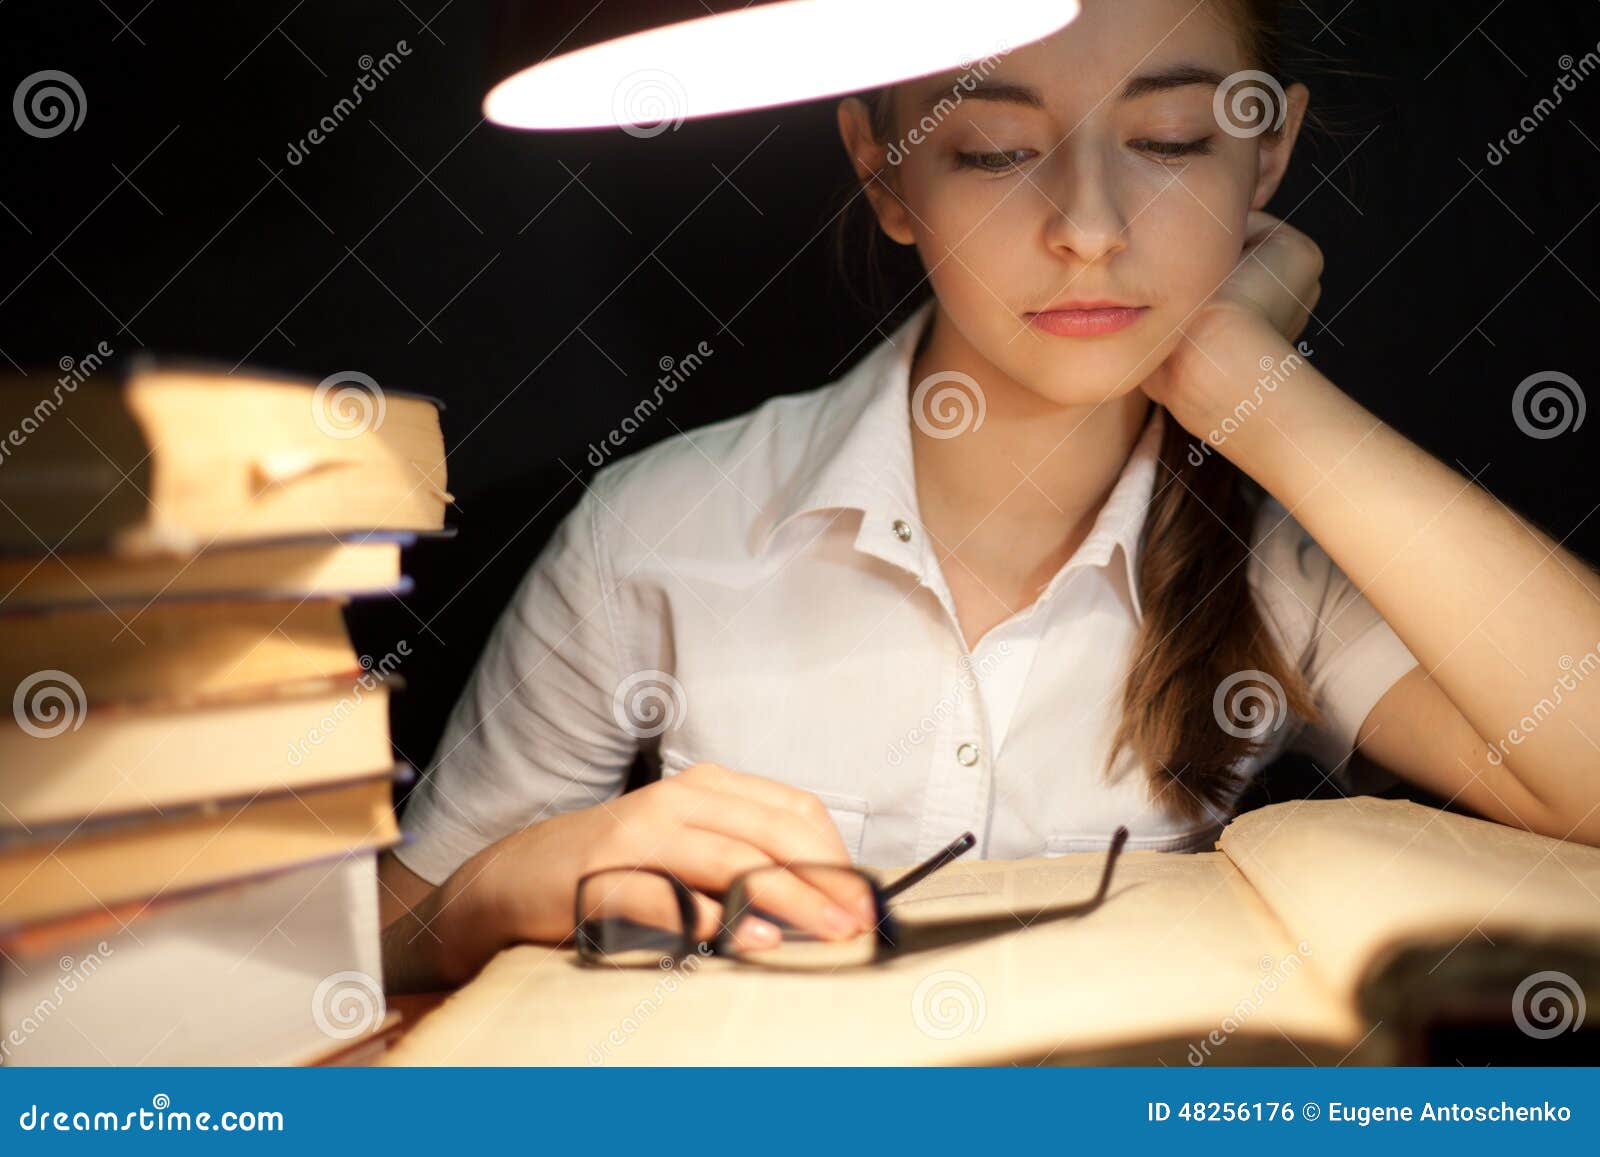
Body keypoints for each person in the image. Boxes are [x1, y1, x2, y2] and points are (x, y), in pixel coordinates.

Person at [379, 0, 1600, 992]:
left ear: (1265, 152)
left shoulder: (1283, 557)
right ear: (885, 173)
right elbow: (366, 947)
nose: (1088, 229)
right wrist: (499, 890)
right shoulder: (658, 530)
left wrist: (1247, 381)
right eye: (997, 150)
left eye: (1172, 140)